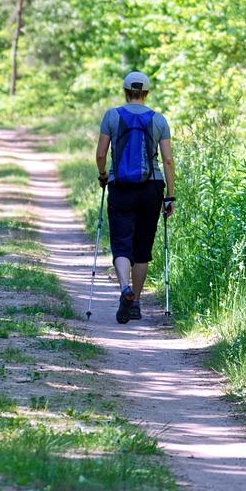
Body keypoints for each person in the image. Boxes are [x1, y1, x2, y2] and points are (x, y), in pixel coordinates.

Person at [94, 71, 174, 323]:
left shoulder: (112, 116)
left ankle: (124, 289)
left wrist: (104, 175)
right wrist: (169, 196)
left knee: (121, 243)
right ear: (146, 93)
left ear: (125, 91)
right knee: (142, 247)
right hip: (152, 188)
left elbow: (100, 154)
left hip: (121, 187)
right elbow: (168, 160)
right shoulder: (159, 120)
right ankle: (136, 303)